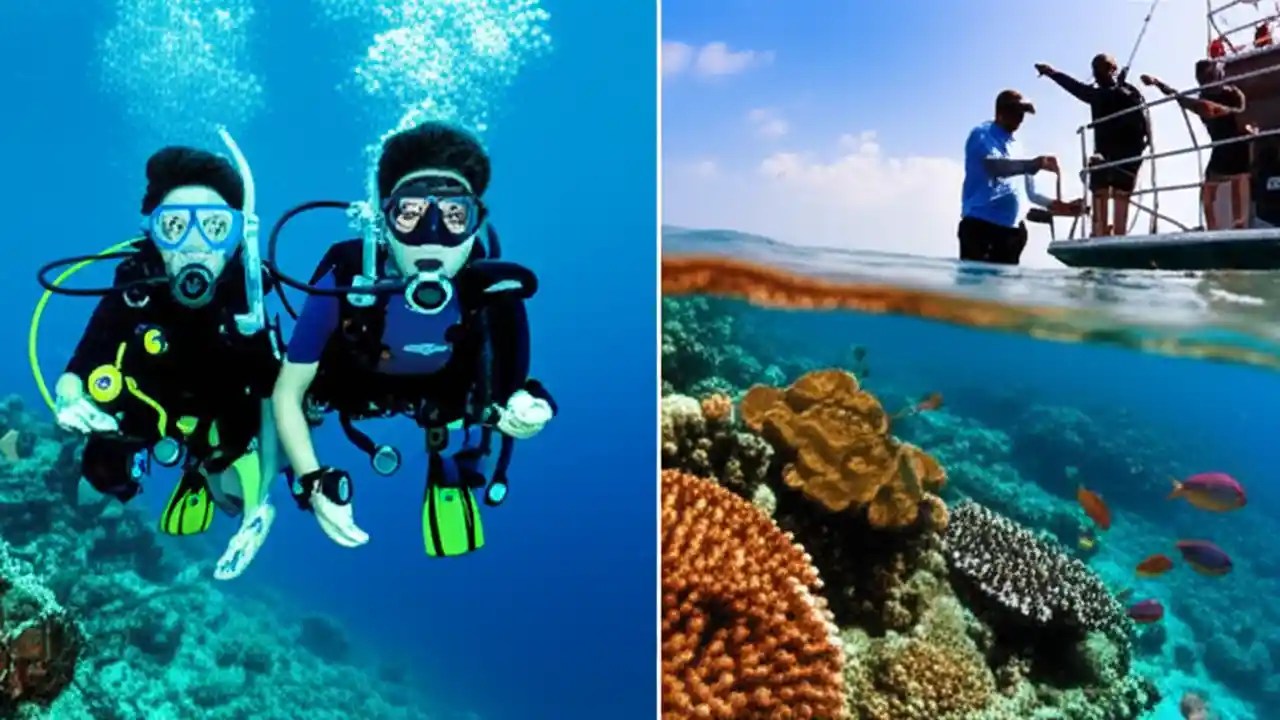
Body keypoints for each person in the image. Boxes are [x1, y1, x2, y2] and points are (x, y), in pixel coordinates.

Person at [269, 121, 556, 556]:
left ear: (475, 224)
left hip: (444, 400)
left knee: (462, 420)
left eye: (455, 216)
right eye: (410, 214)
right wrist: (313, 481)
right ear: (384, 220)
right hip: (354, 389)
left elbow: (515, 388)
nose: (433, 237)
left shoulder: (492, 291)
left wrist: (528, 410)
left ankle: (452, 468)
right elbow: (288, 392)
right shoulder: (346, 277)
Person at [37, 136, 283, 581]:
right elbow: (76, 369)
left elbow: (275, 402)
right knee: (99, 480)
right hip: (141, 421)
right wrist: (70, 402)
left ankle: (204, 471)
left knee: (232, 492)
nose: (193, 246)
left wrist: (261, 502)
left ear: (234, 235)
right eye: (174, 227)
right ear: (153, 232)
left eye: (214, 227)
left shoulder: (248, 297)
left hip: (217, 428)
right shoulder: (133, 288)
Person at [959, 89, 1086, 265]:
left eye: (1023, 113)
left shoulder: (1017, 144)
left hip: (1013, 233)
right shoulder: (982, 133)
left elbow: (1031, 193)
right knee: (974, 288)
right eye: (1016, 112)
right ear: (1000, 112)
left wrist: (1059, 206)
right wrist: (1035, 164)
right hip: (982, 227)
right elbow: (994, 167)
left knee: (1002, 290)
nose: (1020, 117)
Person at [1035, 54, 1150, 237]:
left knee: (1118, 196)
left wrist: (1052, 73)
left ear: (1112, 70)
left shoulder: (1126, 92)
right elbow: (1076, 88)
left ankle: (1114, 234)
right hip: (1105, 157)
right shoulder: (1102, 94)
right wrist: (1052, 73)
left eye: (1100, 69)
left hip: (1126, 156)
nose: (1096, 75)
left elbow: (1142, 119)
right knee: (1102, 192)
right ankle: (1102, 232)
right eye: (1095, 70)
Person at [1142, 61, 1258, 229]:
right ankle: (1215, 226)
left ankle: (1238, 221)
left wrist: (1221, 111)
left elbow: (1242, 111)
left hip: (1236, 143)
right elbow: (1178, 97)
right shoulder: (1203, 99)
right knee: (1209, 190)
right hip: (1221, 146)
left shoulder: (1230, 93)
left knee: (1236, 181)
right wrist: (1157, 83)